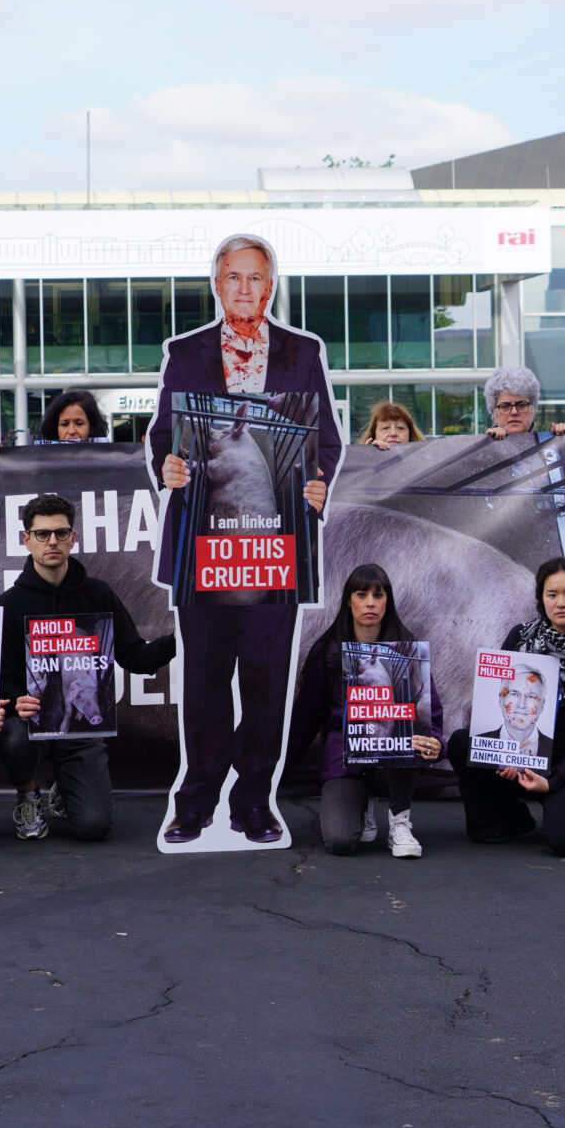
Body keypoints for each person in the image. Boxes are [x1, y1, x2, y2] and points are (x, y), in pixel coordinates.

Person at [149, 234, 343, 846]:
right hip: (201, 548)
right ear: (216, 283)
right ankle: (196, 802)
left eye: (255, 278)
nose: (243, 288)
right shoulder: (186, 352)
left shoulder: (302, 352)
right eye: (232, 277)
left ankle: (254, 803)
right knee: (203, 679)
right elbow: (163, 435)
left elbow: (327, 443)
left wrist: (317, 484)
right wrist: (167, 468)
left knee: (265, 681)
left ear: (271, 285)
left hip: (274, 547)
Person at [0, 494, 176, 843]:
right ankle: (29, 794)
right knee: (13, 734)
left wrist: (180, 639)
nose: (53, 542)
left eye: (61, 533)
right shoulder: (9, 604)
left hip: (79, 731)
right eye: (42, 534)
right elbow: (0, 676)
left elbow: (135, 656)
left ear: (73, 537)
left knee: (93, 826)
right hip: (29, 725)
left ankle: (67, 784)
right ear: (26, 540)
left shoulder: (99, 595)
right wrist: (15, 699)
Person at [447, 556, 565, 857]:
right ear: (541, 598)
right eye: (552, 594)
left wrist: (553, 781)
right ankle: (509, 819)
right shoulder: (521, 636)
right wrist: (506, 754)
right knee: (462, 742)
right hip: (520, 753)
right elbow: (494, 698)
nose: (561, 603)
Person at [295, 564, 441, 857]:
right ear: (349, 600)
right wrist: (270, 778)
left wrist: (437, 741)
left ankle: (400, 820)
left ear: (388, 601)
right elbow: (305, 718)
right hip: (344, 760)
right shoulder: (327, 652)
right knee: (340, 841)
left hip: (394, 762)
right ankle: (365, 805)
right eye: (362, 594)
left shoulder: (407, 649)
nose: (371, 603)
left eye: (378, 595)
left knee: (407, 734)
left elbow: (429, 712)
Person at [480, 365, 565, 439]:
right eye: (505, 406)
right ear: (494, 413)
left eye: (522, 405)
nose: (514, 412)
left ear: (533, 409)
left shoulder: (551, 444)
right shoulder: (481, 451)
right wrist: (489, 443)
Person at [38, 389, 109, 443]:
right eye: (64, 424)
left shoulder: (108, 459)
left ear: (92, 426)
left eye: (79, 423)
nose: (71, 431)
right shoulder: (40, 460)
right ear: (55, 429)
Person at [357, 401, 423, 449]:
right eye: (385, 428)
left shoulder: (425, 460)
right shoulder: (359, 462)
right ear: (374, 435)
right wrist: (366, 455)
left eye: (400, 428)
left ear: (410, 433)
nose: (393, 433)